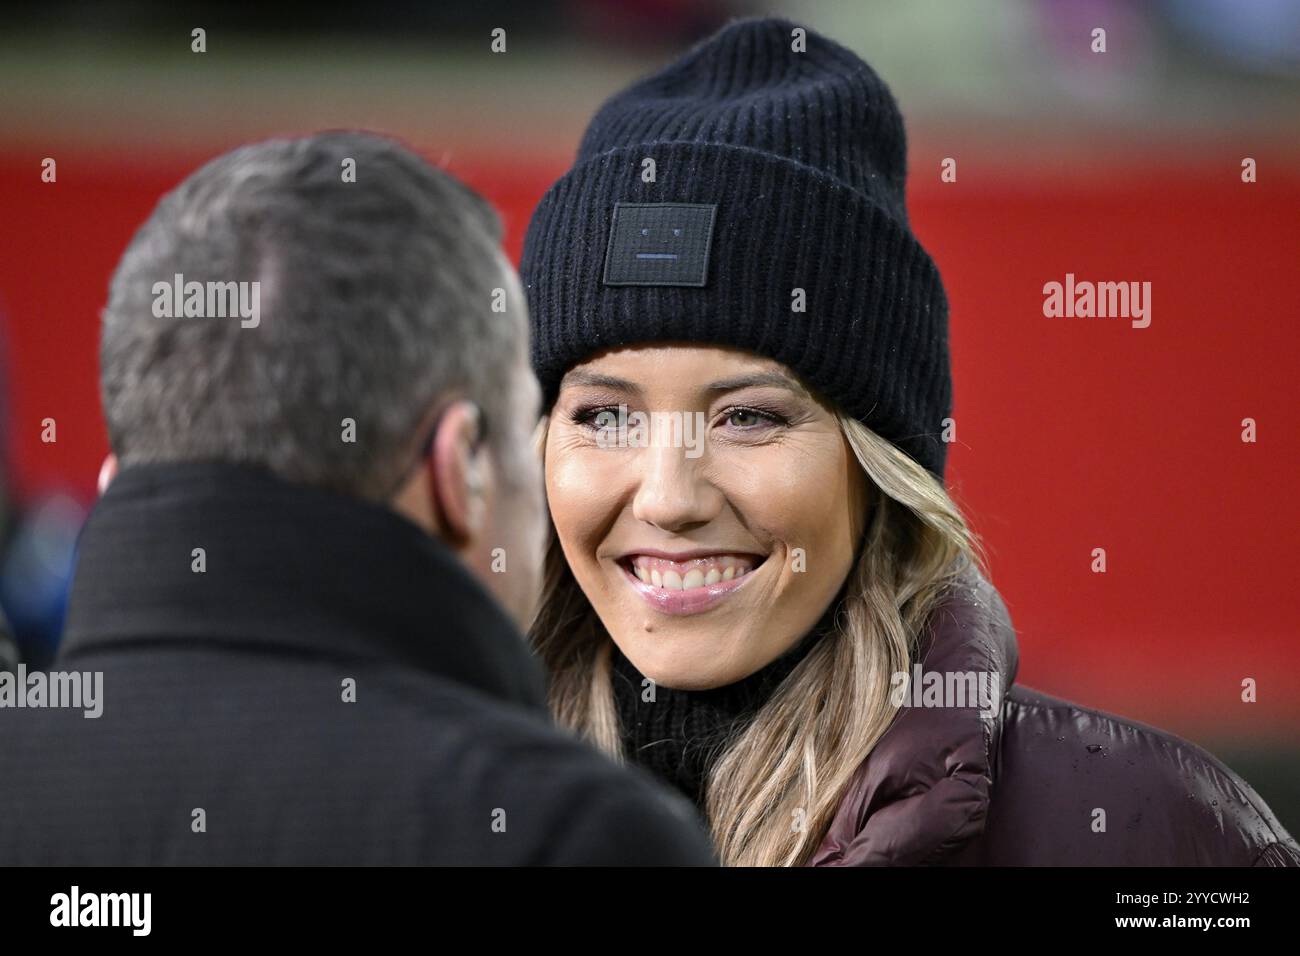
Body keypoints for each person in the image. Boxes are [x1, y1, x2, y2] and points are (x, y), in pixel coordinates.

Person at [518, 17, 1300, 866]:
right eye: (607, 417)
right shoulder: (415, 811)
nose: (669, 498)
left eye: (749, 416)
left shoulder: (1161, 835)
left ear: (880, 464)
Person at [0, 131, 716, 866]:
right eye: (539, 431)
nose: (667, 499)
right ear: (460, 469)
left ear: (116, 484)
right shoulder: (575, 840)